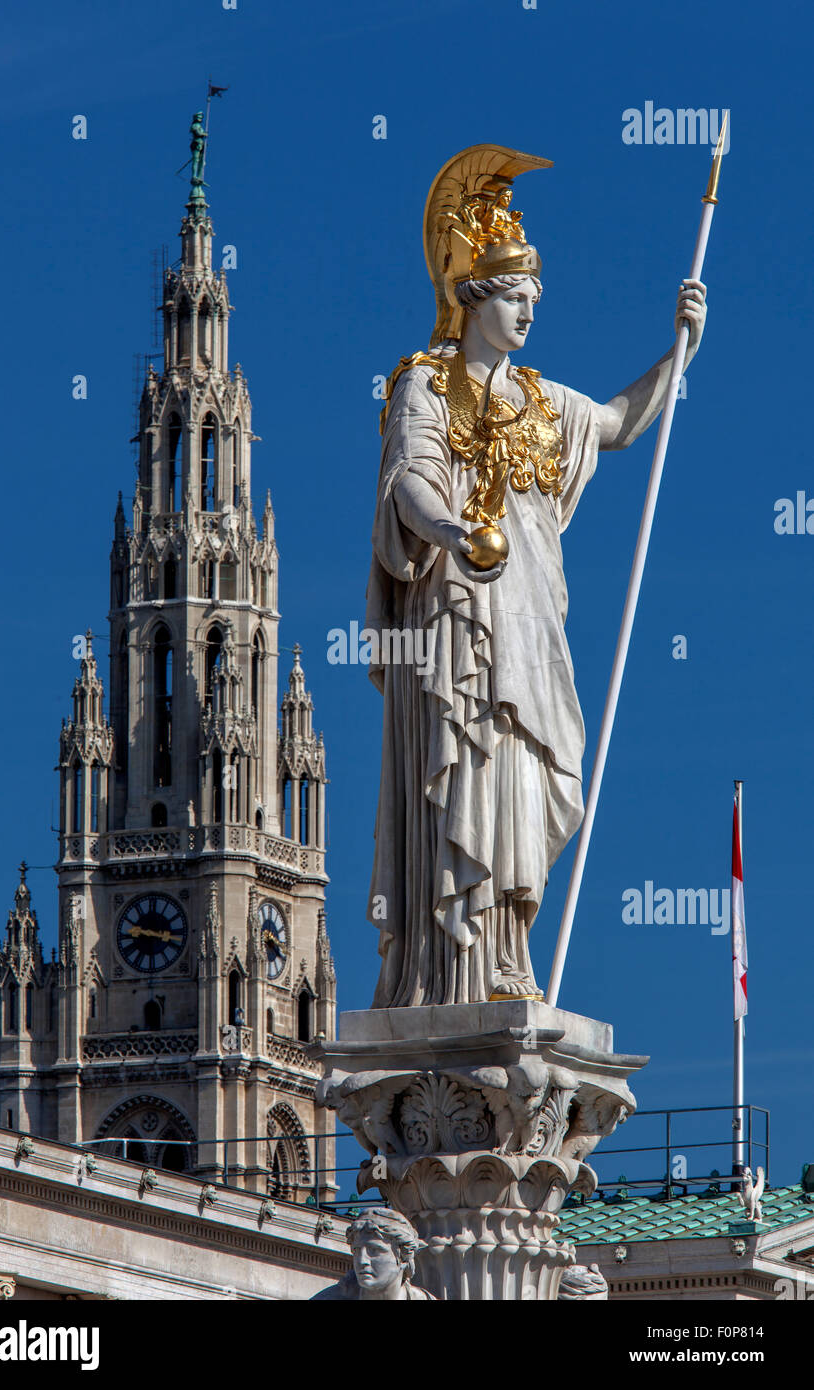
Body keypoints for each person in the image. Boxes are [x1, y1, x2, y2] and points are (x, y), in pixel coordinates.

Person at [367, 147, 706, 1008]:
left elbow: (623, 424)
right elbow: (408, 479)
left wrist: (682, 350)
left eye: (534, 298)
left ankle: (509, 941)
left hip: (529, 615)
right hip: (455, 609)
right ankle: (454, 966)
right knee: (466, 762)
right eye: (516, 296)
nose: (528, 311)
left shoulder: (544, 402)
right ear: (474, 296)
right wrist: (457, 531)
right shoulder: (426, 387)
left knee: (526, 769)